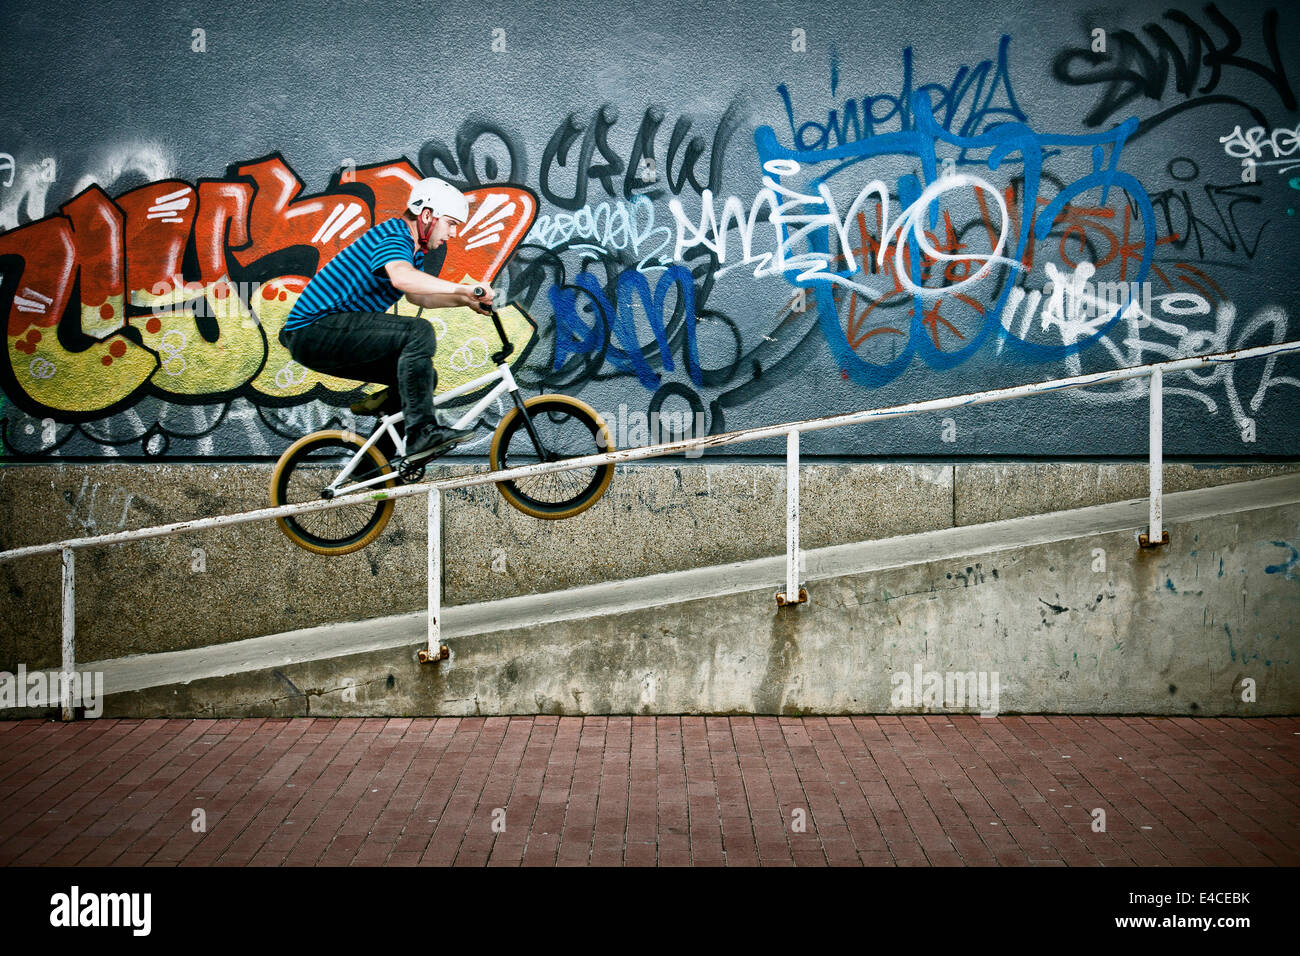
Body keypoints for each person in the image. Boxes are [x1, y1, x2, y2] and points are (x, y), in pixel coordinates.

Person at [278, 177, 494, 462]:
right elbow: (401, 277)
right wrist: (461, 288)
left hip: (322, 333)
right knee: (419, 332)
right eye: (451, 223)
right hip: (313, 329)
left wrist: (466, 301)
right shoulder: (393, 235)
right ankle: (421, 434)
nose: (453, 234)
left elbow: (420, 297)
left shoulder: (413, 251)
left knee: (423, 377)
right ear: (427, 215)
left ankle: (373, 469)